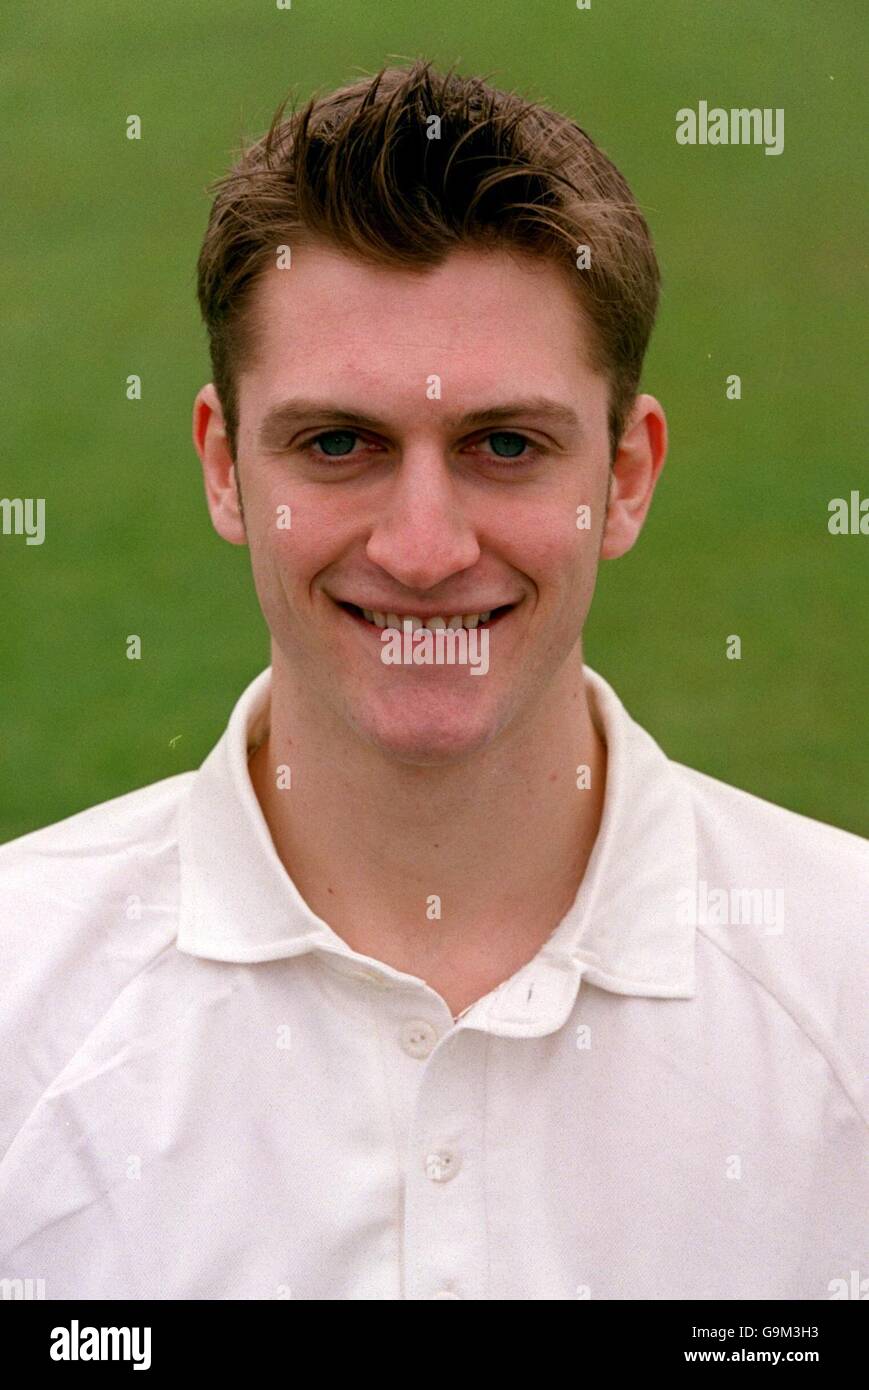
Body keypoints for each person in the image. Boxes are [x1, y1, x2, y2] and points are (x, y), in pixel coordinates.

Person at [1, 62, 865, 1302]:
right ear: (223, 468)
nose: (422, 547)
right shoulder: (17, 997)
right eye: (336, 444)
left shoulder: (847, 987)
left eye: (503, 445)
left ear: (624, 476)